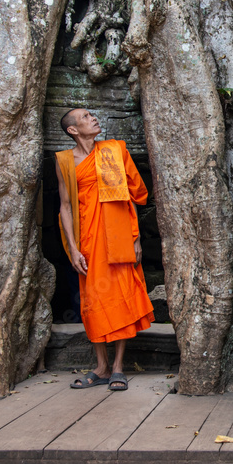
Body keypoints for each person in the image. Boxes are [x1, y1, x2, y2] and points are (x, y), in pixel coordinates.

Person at [56, 108, 154, 391]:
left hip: (120, 238)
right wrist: (73, 249)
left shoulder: (113, 150)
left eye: (92, 115)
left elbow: (132, 196)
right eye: (85, 117)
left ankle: (118, 368)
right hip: (88, 241)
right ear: (73, 130)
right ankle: (100, 367)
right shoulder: (64, 161)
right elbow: (64, 206)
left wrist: (135, 240)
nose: (93, 118)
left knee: (122, 298)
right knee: (93, 301)